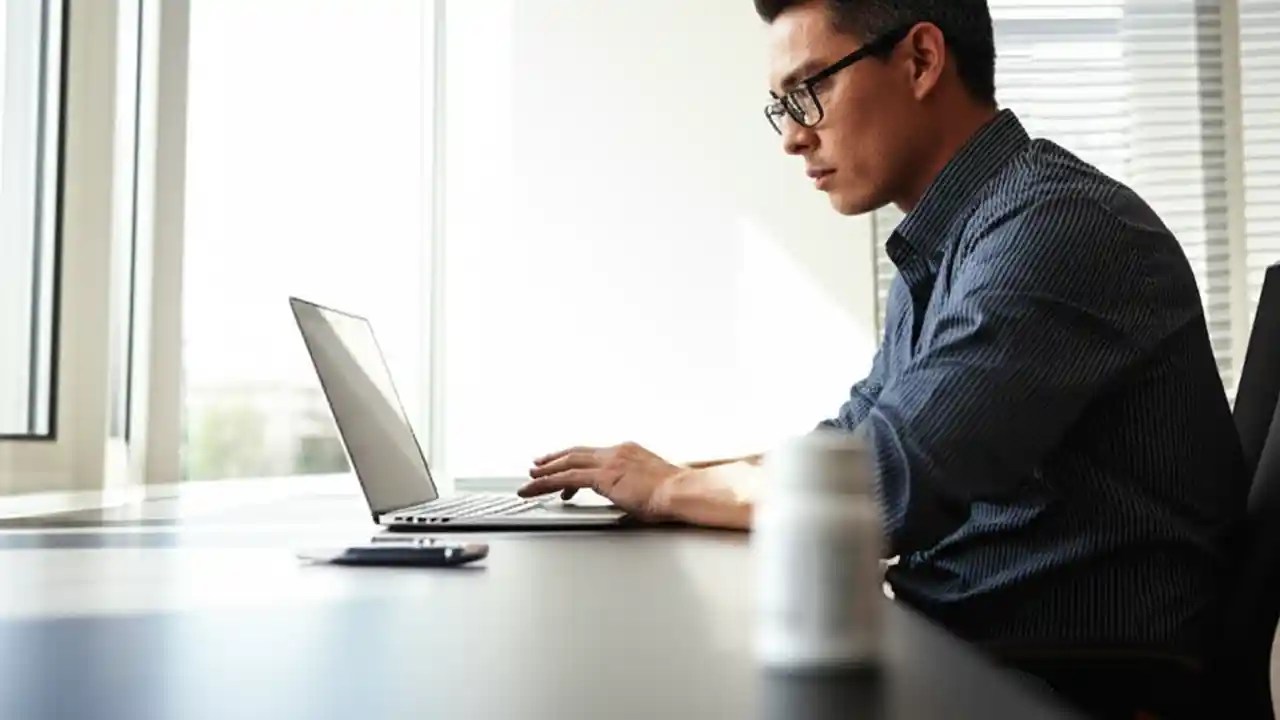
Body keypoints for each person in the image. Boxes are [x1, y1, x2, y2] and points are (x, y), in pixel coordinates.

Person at [518, 1, 1247, 715]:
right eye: (782, 106)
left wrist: (672, 490)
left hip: (1071, 682)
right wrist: (659, 475)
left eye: (809, 89)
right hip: (982, 653)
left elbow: (885, 487)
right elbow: (849, 447)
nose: (793, 137)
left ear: (921, 60)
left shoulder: (1058, 227)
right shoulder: (950, 246)